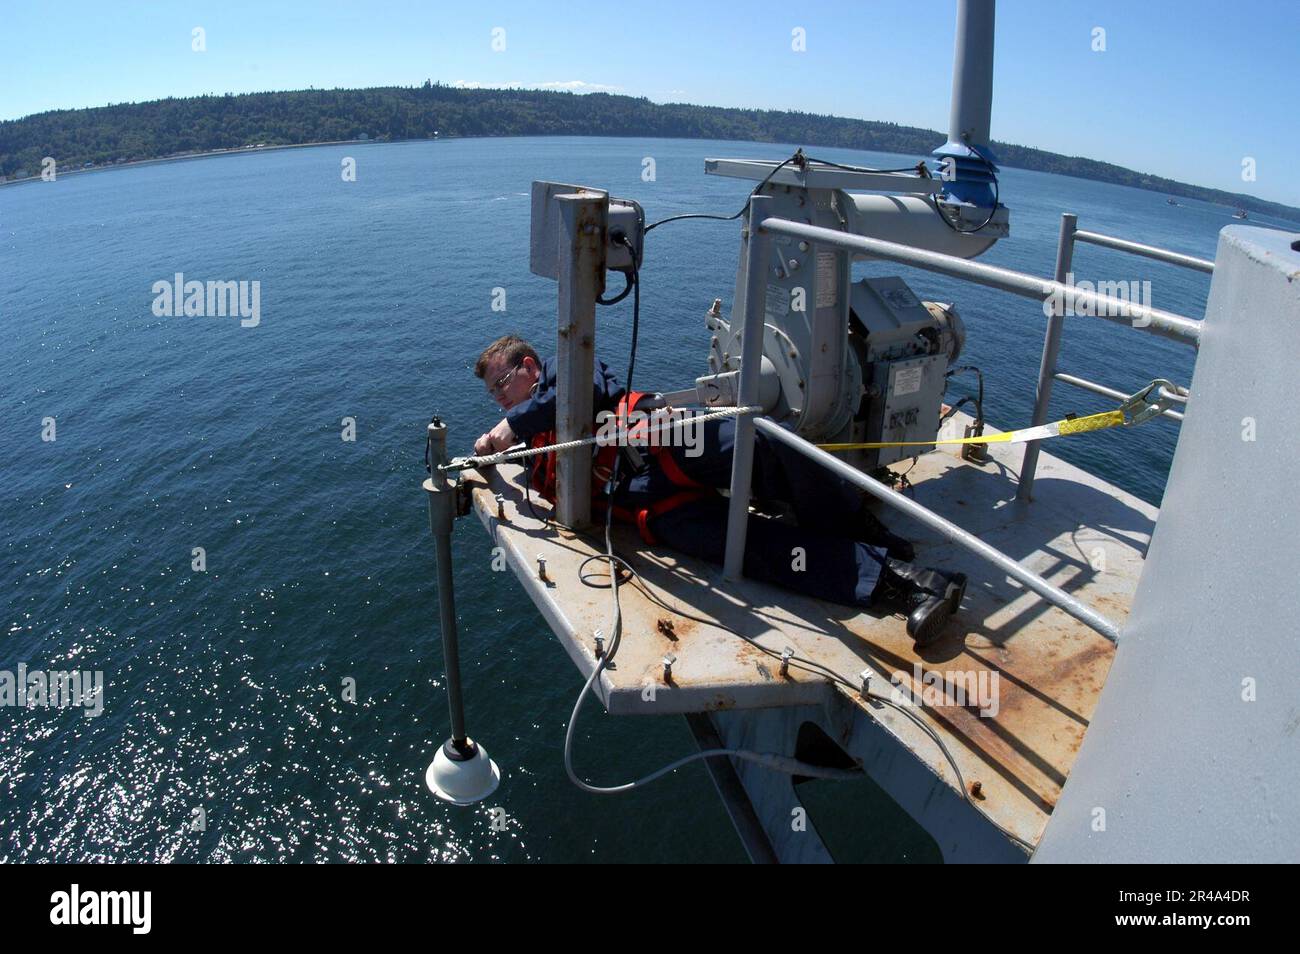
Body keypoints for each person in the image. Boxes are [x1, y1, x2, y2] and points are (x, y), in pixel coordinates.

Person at [472, 334, 966, 646]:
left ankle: (856, 524)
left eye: (503, 384)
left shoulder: (565, 366)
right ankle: (903, 582)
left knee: (766, 441)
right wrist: (495, 452)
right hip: (650, 507)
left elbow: (585, 395)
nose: (498, 398)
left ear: (531, 368)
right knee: (751, 549)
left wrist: (507, 429)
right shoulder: (526, 449)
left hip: (670, 442)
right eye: (493, 393)